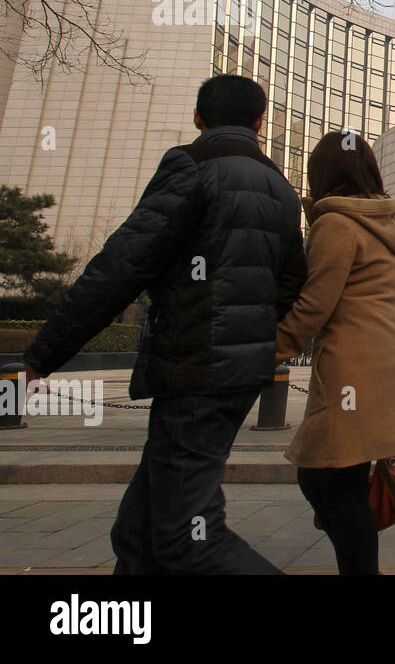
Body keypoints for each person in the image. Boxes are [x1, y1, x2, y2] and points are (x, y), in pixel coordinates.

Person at [22, 75, 306, 574]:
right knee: (139, 532)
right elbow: (291, 283)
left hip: (195, 368)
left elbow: (122, 265)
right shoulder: (281, 189)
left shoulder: (193, 167)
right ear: (261, 122)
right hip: (239, 373)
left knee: (184, 536)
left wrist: (42, 354)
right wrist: (254, 342)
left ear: (199, 117)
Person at [275, 131, 395, 575]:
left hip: (354, 363)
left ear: (324, 174)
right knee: (340, 480)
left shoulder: (335, 223)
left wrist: (272, 349)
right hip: (387, 359)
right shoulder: (387, 223)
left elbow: (316, 303)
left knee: (327, 479)